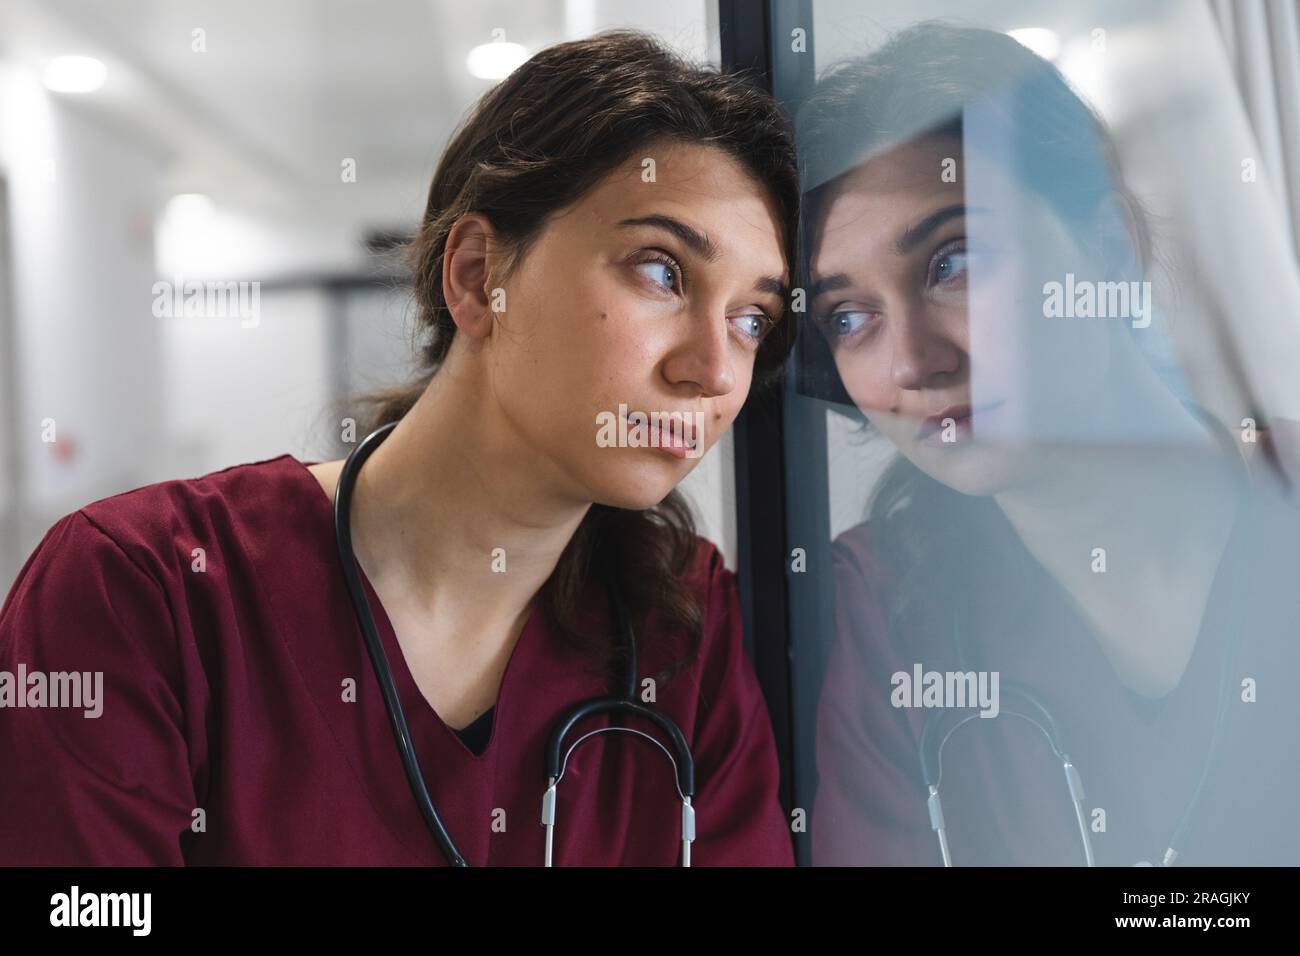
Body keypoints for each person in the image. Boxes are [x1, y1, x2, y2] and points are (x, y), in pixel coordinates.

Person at [0, 30, 797, 866]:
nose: (713, 369)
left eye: (753, 320)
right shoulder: (143, 591)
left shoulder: (682, 628)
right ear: (476, 275)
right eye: (662, 272)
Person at [799, 22, 1300, 865]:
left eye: (953, 262)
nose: (912, 363)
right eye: (849, 318)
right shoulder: (874, 612)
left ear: (1109, 249)